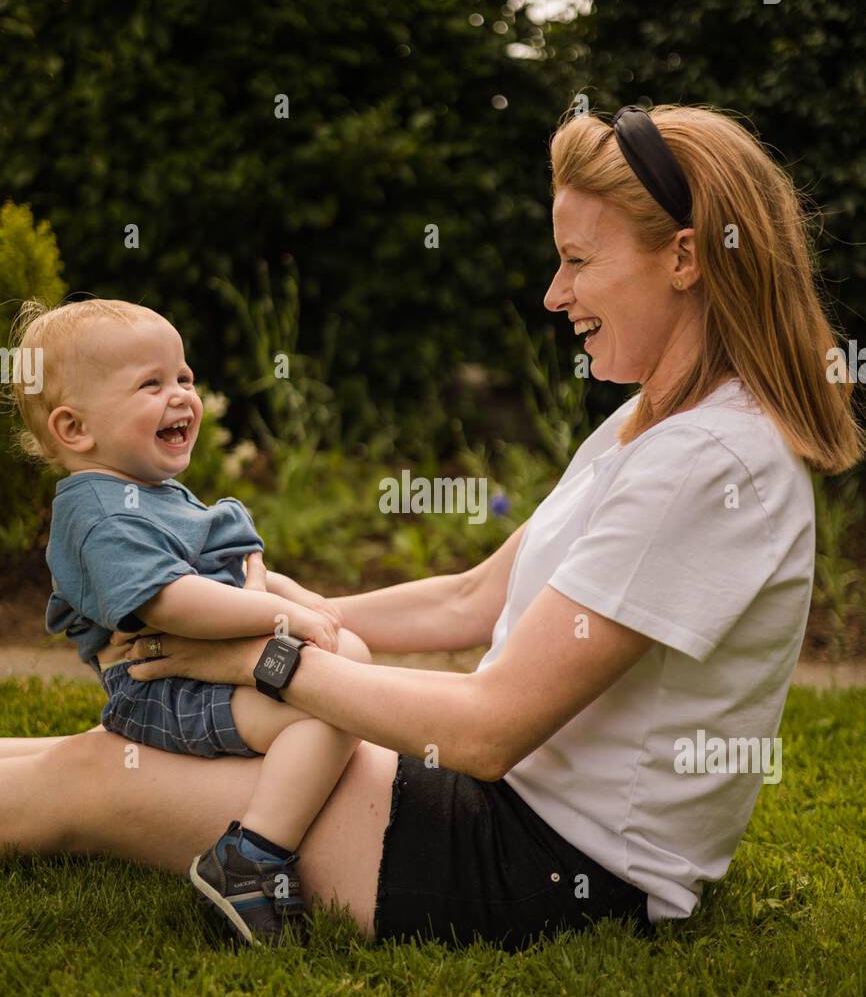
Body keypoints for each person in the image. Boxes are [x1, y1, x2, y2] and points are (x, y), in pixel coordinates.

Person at [1, 104, 861, 953]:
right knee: (104, 752)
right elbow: (470, 597)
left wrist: (258, 656)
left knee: (89, 783)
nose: (555, 294)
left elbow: (488, 731)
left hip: (543, 863)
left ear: (682, 257)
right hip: (509, 809)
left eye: (576, 261)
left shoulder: (707, 462)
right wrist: (285, 611)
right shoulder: (657, 421)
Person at [10, 297, 370, 943]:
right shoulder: (101, 514)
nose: (181, 395)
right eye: (152, 383)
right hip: (158, 689)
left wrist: (291, 594)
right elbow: (173, 603)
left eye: (184, 377)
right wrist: (281, 610)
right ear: (73, 429)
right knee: (328, 710)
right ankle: (253, 856)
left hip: (193, 672)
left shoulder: (147, 492)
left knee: (351, 670)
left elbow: (226, 567)